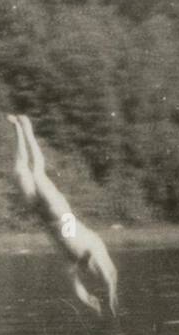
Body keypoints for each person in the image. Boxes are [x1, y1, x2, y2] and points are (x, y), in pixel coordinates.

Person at [8, 114, 118, 318]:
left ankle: (17, 128)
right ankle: (27, 128)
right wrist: (110, 297)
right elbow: (107, 275)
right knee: (38, 174)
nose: (91, 272)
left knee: (20, 173)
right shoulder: (92, 250)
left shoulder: (72, 263)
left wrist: (88, 301)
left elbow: (77, 289)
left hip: (45, 219)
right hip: (63, 217)